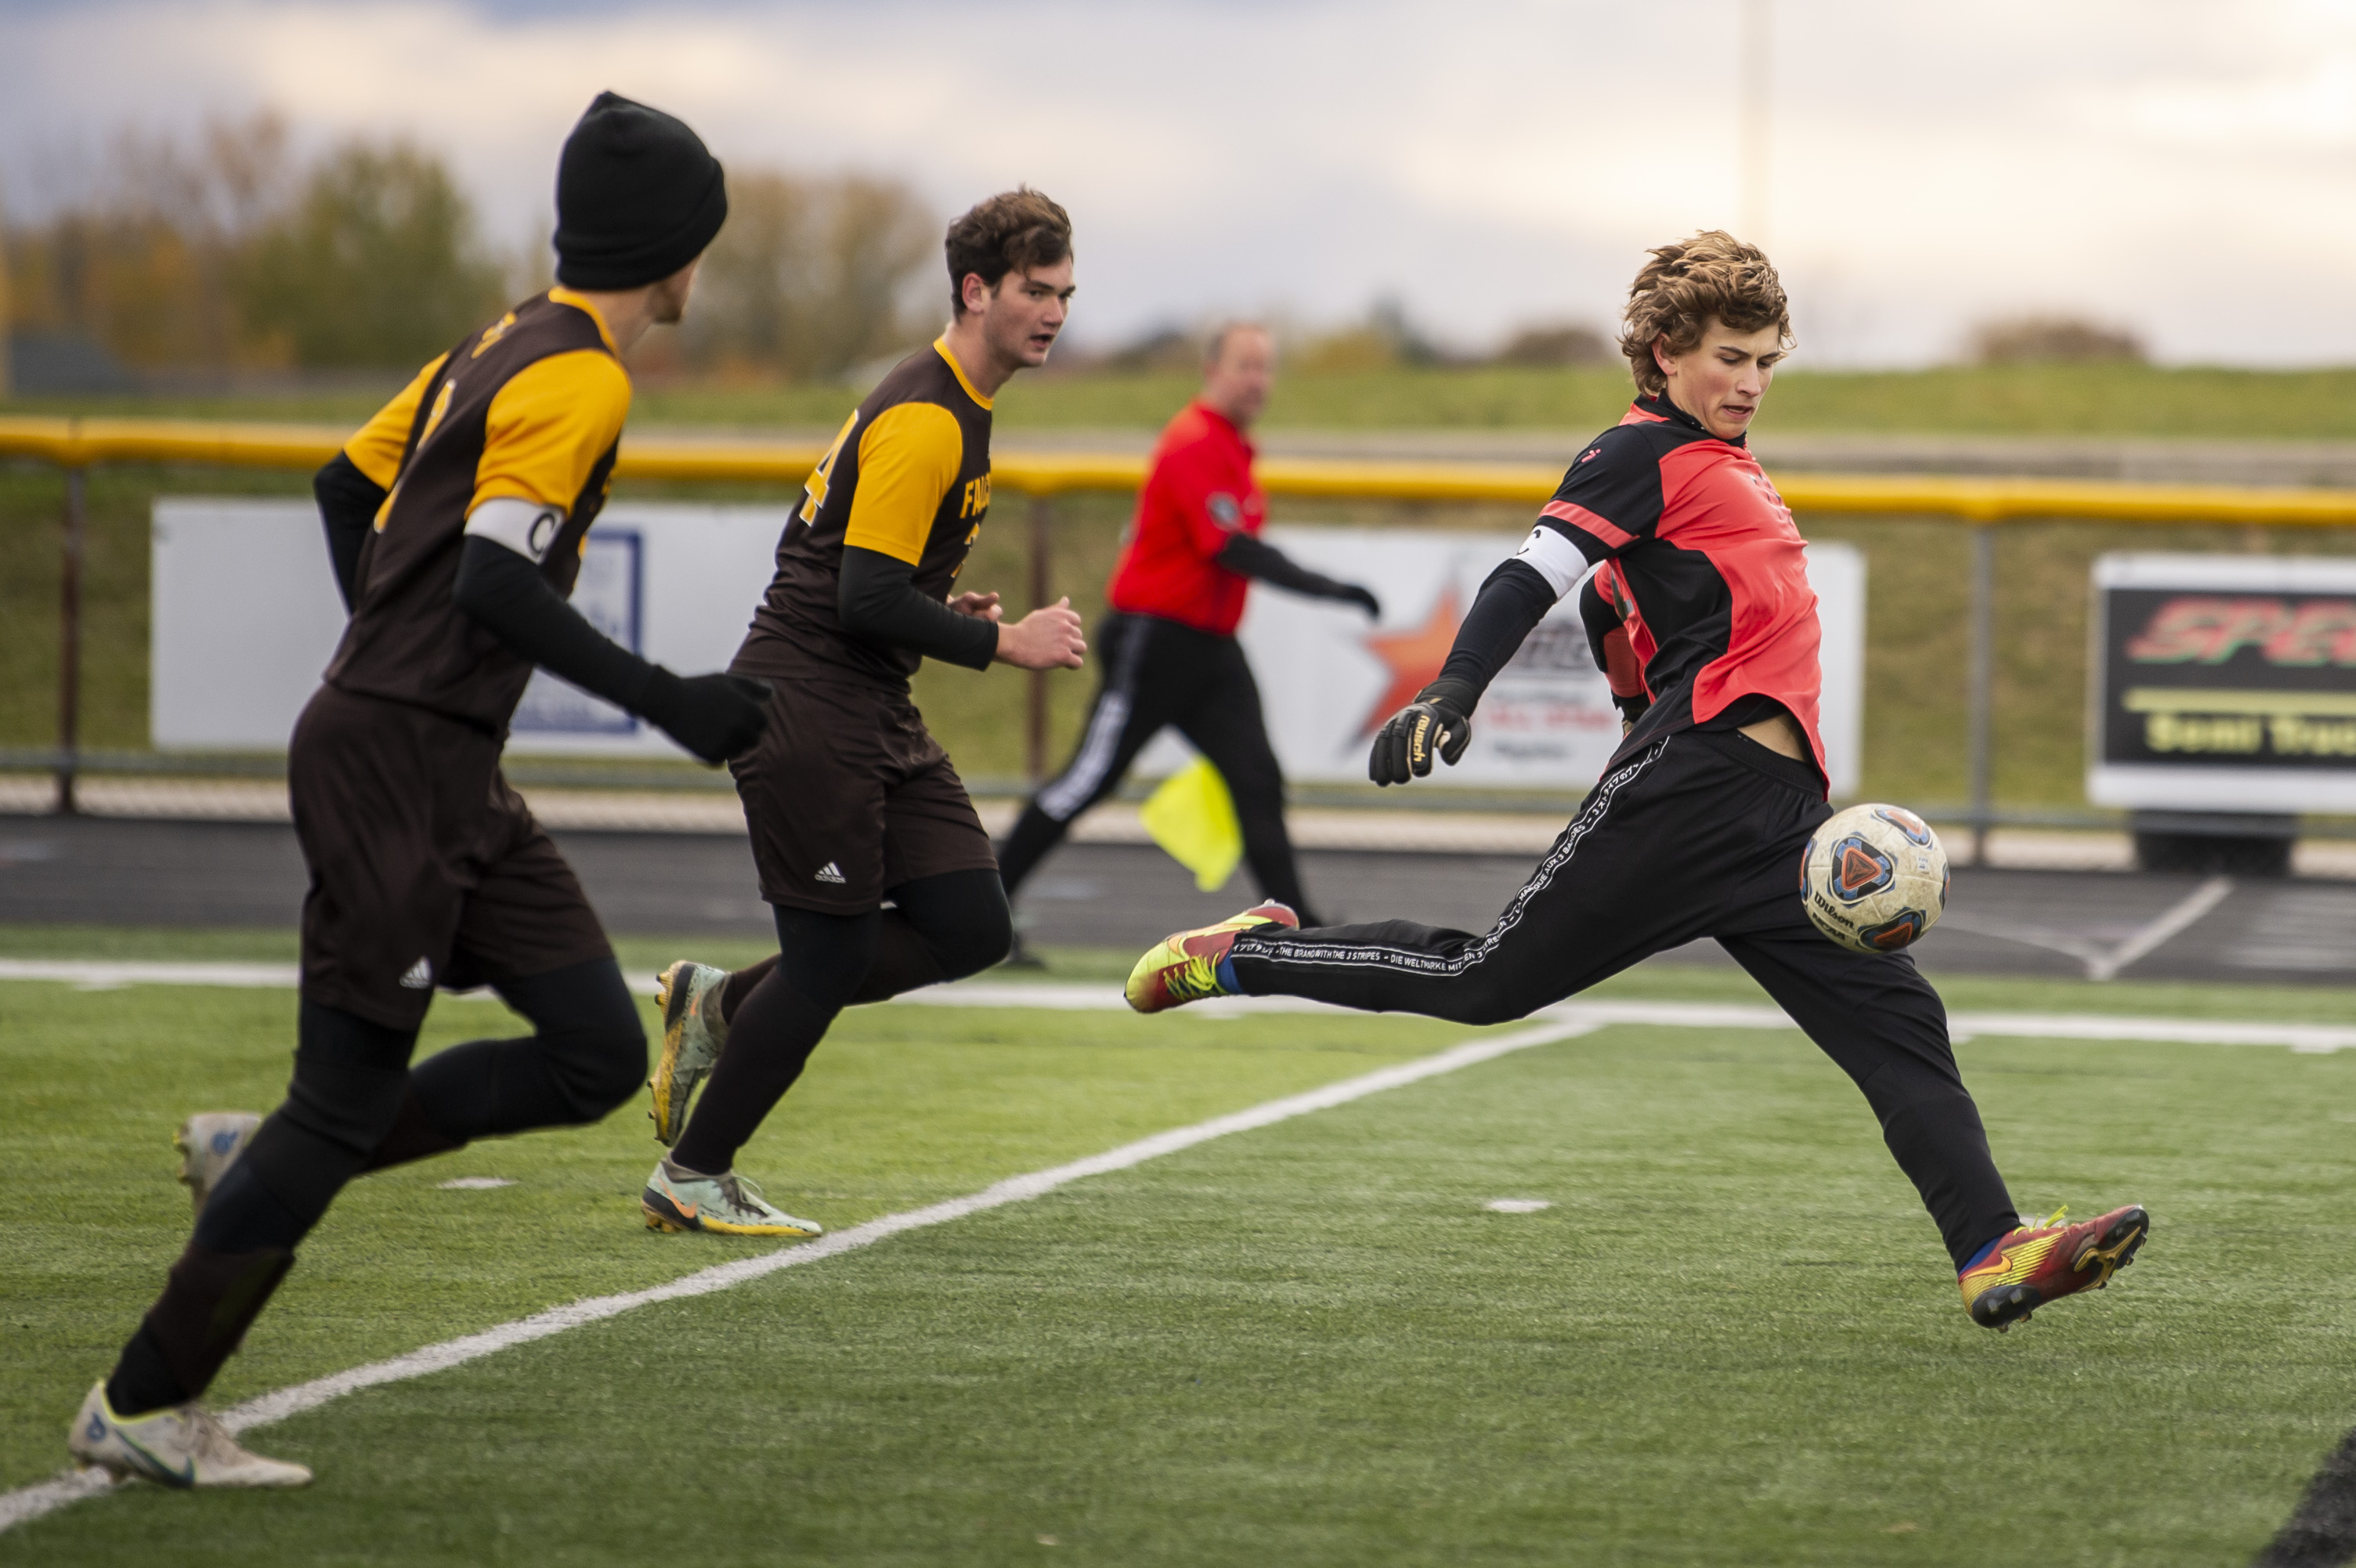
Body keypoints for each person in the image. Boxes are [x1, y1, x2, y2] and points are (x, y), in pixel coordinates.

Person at [1122, 232, 2148, 1334]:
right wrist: (1452, 690)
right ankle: (1244, 951)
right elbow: (1532, 573)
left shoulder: (1731, 465)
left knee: (1901, 1022)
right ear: (1663, 354)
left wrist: (1633, 672)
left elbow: (1620, 617)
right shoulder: (1636, 451)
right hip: (1690, 793)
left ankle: (1995, 1246)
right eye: (1731, 357)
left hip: (1783, 825)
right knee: (1484, 982)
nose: (1751, 382)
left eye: (1765, 361)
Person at [67, 92, 766, 1488]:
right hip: (397, 760)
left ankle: (253, 1154)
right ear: (670, 247)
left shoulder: (502, 337)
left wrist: (397, 661)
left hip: (436, 758)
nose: (705, 264)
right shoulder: (577, 376)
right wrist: (671, 703)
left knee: (594, 1051)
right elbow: (493, 577)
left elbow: (346, 485)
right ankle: (142, 1404)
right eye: (703, 237)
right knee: (342, 1100)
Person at [638, 188, 1087, 1237]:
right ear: (975, 290)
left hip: (868, 700)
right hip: (810, 703)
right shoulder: (930, 414)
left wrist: (941, 607)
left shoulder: (957, 404)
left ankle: (717, 1004)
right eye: (1034, 289)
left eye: (1065, 291)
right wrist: (1003, 641)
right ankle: (692, 1172)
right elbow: (857, 596)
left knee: (973, 923)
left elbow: (879, 584)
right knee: (831, 959)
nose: (1055, 310)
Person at [992, 323, 1380, 948]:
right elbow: (1230, 549)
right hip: (1156, 642)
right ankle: (982, 908)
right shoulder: (1194, 440)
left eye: (1266, 367)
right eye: (1245, 366)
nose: (1258, 380)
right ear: (1213, 370)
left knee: (1256, 777)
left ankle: (1297, 928)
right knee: (1087, 779)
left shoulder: (1234, 448)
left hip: (1210, 648)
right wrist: (1331, 589)